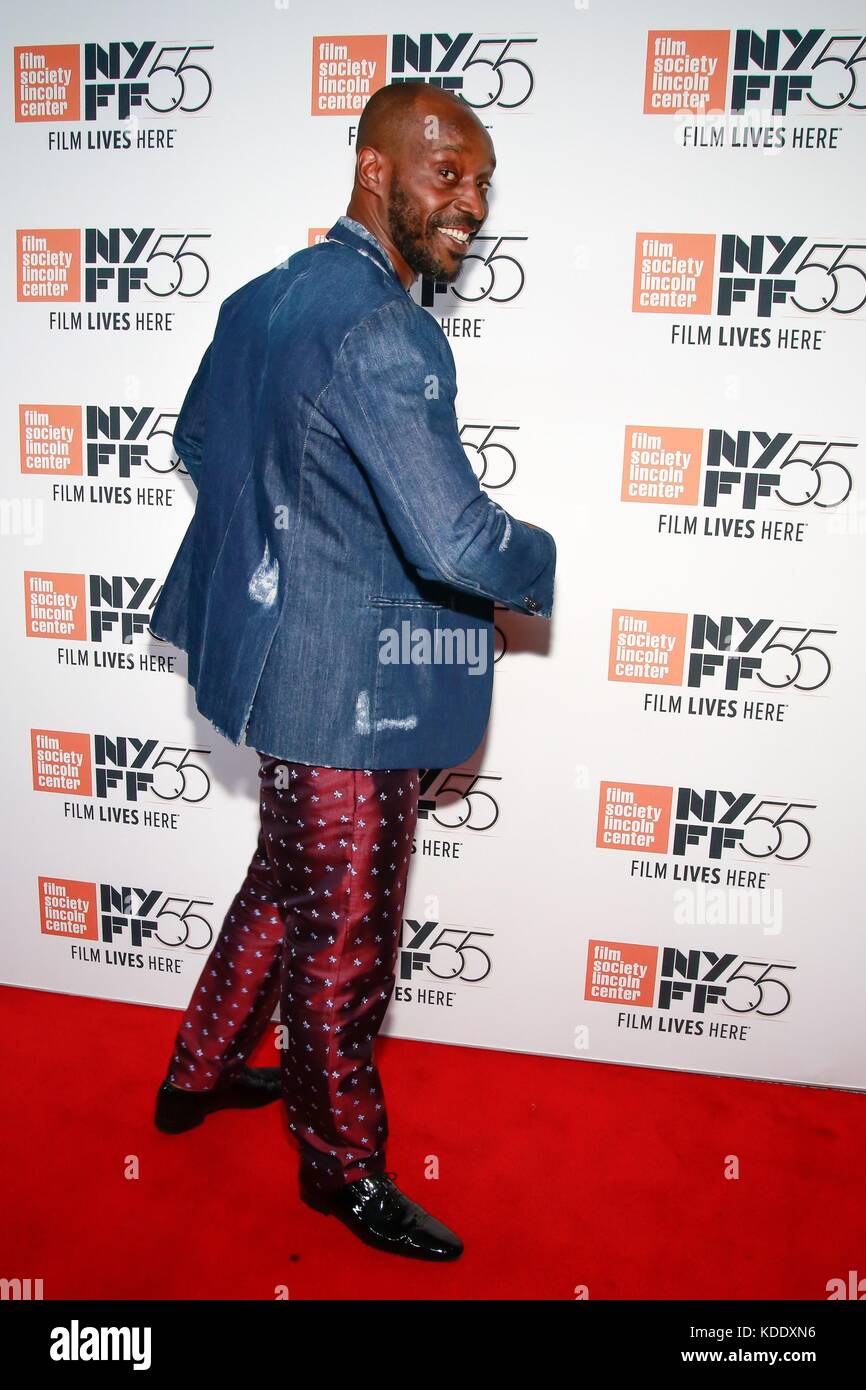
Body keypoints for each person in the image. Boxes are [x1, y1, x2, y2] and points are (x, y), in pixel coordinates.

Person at [148, 80, 557, 1262]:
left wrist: (303, 538)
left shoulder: (262, 295)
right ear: (375, 170)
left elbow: (196, 444)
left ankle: (196, 1072)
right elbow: (457, 541)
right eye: (446, 171)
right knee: (347, 940)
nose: (469, 200)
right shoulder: (386, 327)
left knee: (286, 884)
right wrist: (550, 560)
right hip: (345, 693)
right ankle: (342, 1170)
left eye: (482, 178)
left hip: (280, 673)